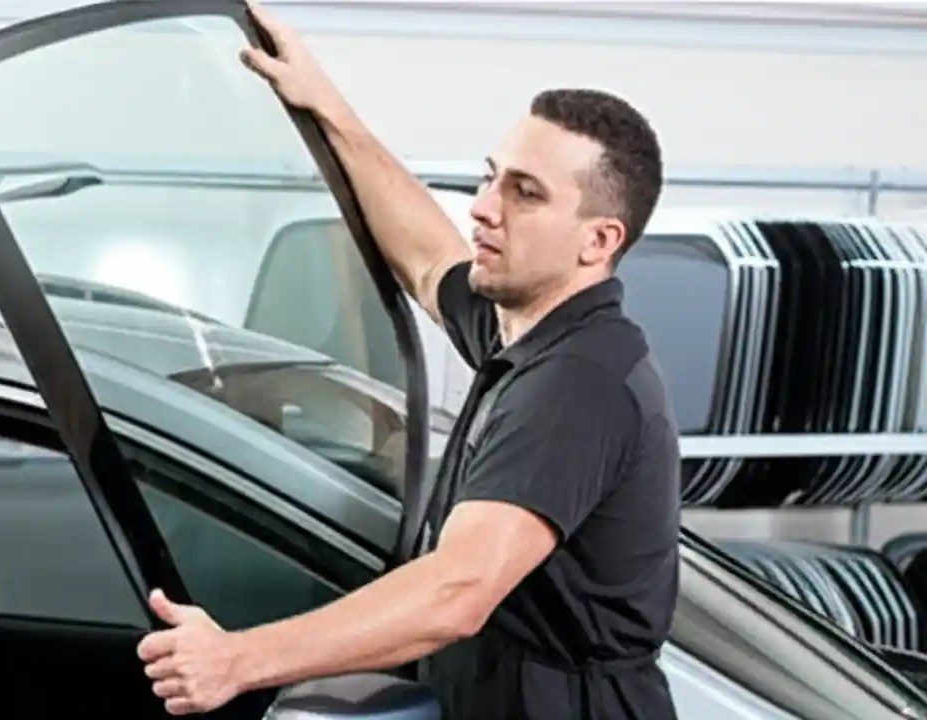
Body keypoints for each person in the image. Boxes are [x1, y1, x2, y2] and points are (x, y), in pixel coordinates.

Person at [135, 1, 682, 717]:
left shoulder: (577, 386)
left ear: (598, 241)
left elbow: (455, 592)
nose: (485, 207)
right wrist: (324, 104)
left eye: (525, 193)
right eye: (492, 177)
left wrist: (238, 660)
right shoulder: (523, 330)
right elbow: (427, 257)